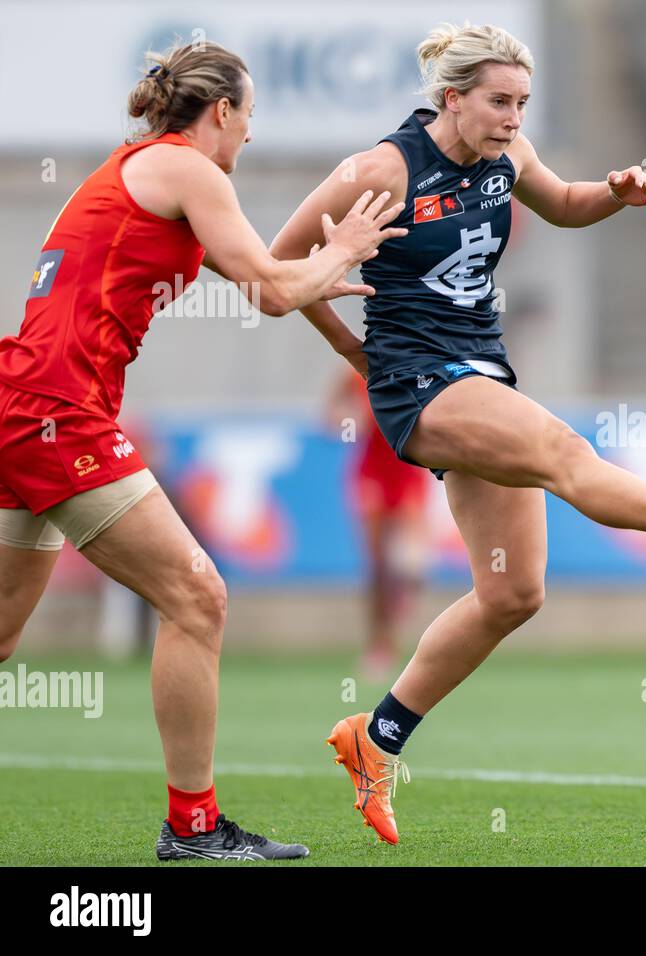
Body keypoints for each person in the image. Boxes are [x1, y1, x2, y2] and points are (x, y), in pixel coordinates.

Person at [268, 21, 646, 845]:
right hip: (418, 383)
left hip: (483, 374)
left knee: (514, 594)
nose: (514, 118)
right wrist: (349, 345)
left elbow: (561, 204)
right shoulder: (381, 170)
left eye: (523, 103)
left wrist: (613, 192)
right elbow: (273, 271)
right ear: (451, 98)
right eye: (499, 102)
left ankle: (374, 737)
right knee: (565, 453)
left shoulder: (507, 156)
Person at [0, 40, 406, 860]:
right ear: (222, 111)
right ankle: (193, 828)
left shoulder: (144, 169)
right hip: (59, 414)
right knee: (198, 598)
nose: (251, 133)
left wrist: (341, 321)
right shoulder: (188, 170)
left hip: (26, 402)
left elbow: (265, 286)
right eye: (249, 115)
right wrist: (347, 244)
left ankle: (194, 827)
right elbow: (279, 290)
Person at [327, 369, 432, 681]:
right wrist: (349, 422)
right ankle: (380, 644)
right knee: (376, 566)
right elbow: (330, 415)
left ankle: (401, 600)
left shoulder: (417, 367)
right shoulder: (355, 372)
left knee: (410, 564)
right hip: (372, 472)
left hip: (407, 470)